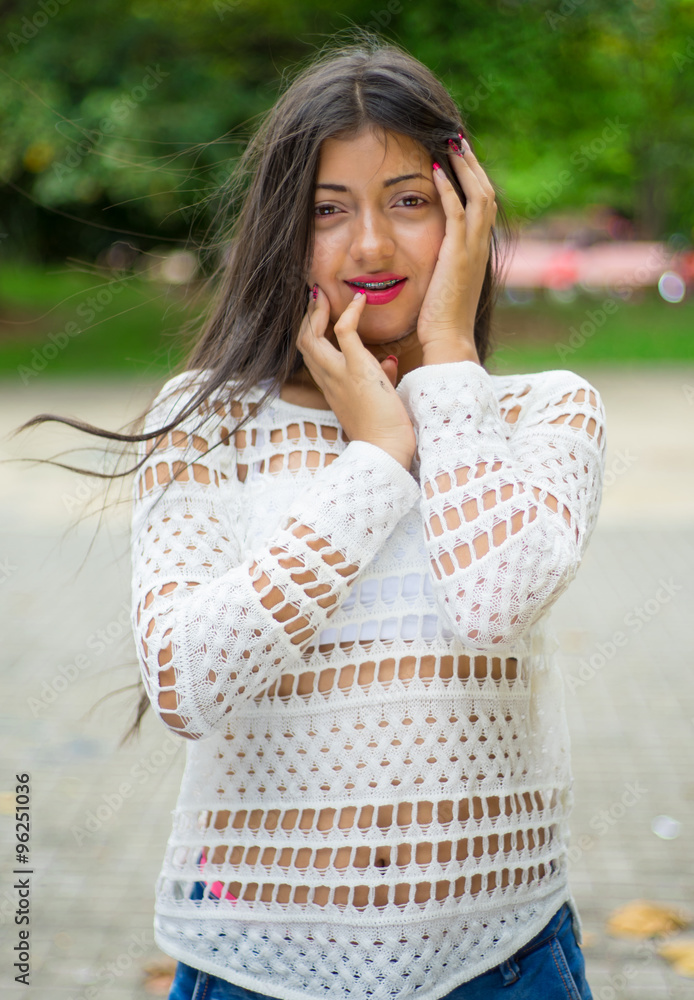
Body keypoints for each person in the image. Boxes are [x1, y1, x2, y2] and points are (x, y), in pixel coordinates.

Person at [29, 29, 604, 1000]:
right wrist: (375, 461)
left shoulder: (540, 411)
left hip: (500, 960)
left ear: (468, 217)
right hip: (253, 965)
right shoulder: (205, 419)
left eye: (409, 203)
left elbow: (494, 596)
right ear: (282, 230)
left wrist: (448, 359)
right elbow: (185, 683)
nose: (370, 245)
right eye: (327, 210)